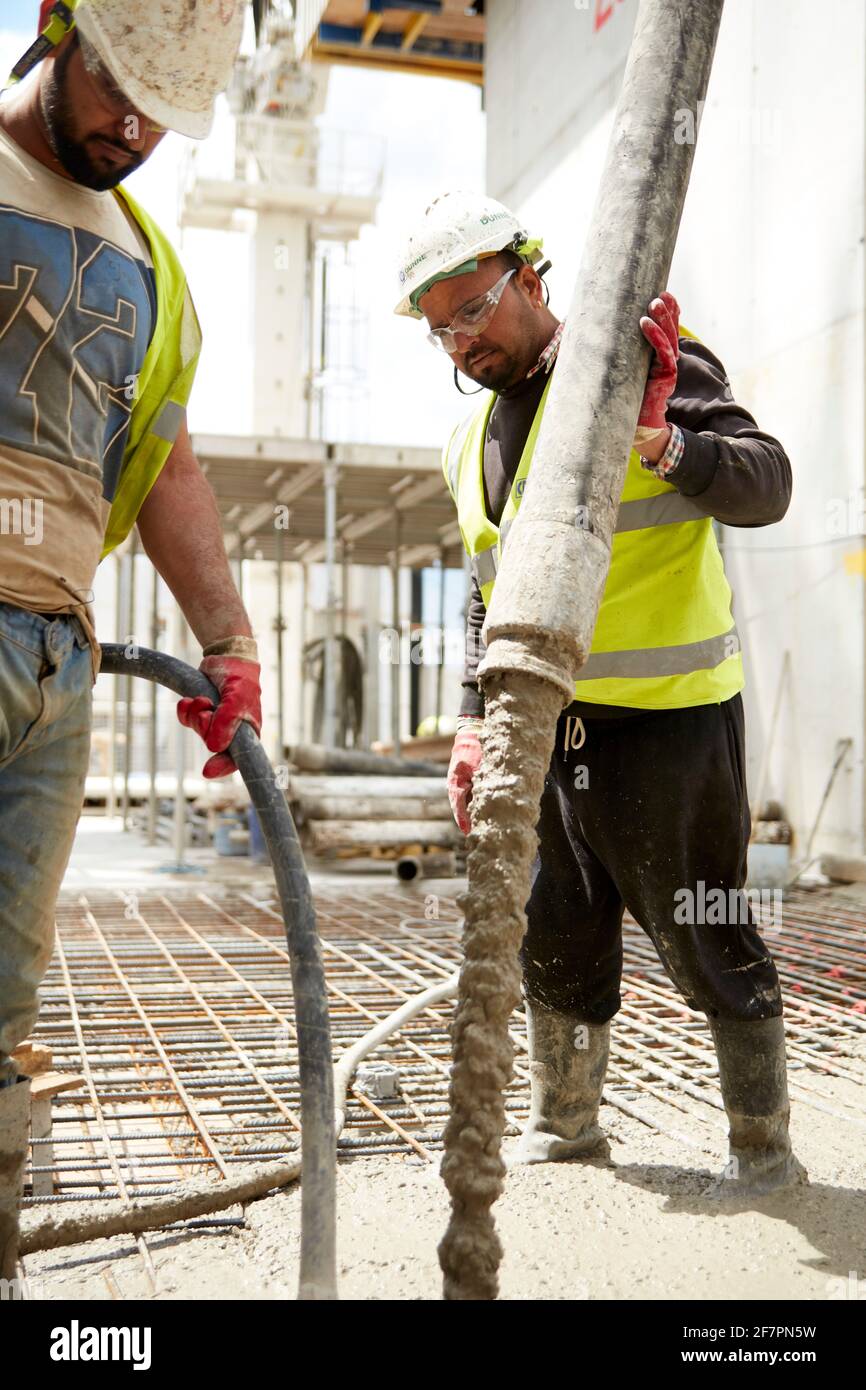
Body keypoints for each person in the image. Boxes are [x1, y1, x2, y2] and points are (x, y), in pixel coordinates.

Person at [395, 191, 807, 1196]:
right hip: (539, 725)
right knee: (556, 923)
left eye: (472, 308)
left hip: (668, 719)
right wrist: (467, 727)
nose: (457, 340)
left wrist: (666, 441)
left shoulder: (645, 365)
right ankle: (567, 1125)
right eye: (438, 325)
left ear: (528, 280)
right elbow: (484, 595)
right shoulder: (470, 440)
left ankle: (761, 1145)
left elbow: (768, 484)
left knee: (705, 924)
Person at [0, 0, 261, 1279]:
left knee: (2, 1015)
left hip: (58, 658)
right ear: (56, 27)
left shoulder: (153, 268)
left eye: (164, 111)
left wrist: (229, 641)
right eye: (120, 90)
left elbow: (162, 466)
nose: (135, 127)